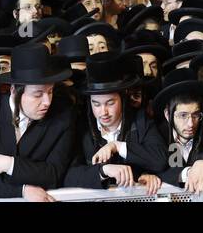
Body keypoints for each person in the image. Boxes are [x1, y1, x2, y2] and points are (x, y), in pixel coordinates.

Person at [0, 43, 76, 201]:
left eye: (50, 91)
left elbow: (54, 174)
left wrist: (9, 164)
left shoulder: (63, 117)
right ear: (14, 90)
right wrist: (22, 191)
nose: (47, 101)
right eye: (37, 94)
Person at [63, 52, 165, 193]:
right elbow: (68, 175)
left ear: (123, 100)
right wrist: (103, 170)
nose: (103, 112)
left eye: (110, 103)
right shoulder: (81, 127)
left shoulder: (141, 120)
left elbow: (160, 159)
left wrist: (117, 146)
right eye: (96, 104)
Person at [153, 71, 203, 195]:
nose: (191, 123)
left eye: (196, 115)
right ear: (167, 115)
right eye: (183, 115)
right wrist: (190, 172)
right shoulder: (156, 135)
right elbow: (156, 167)